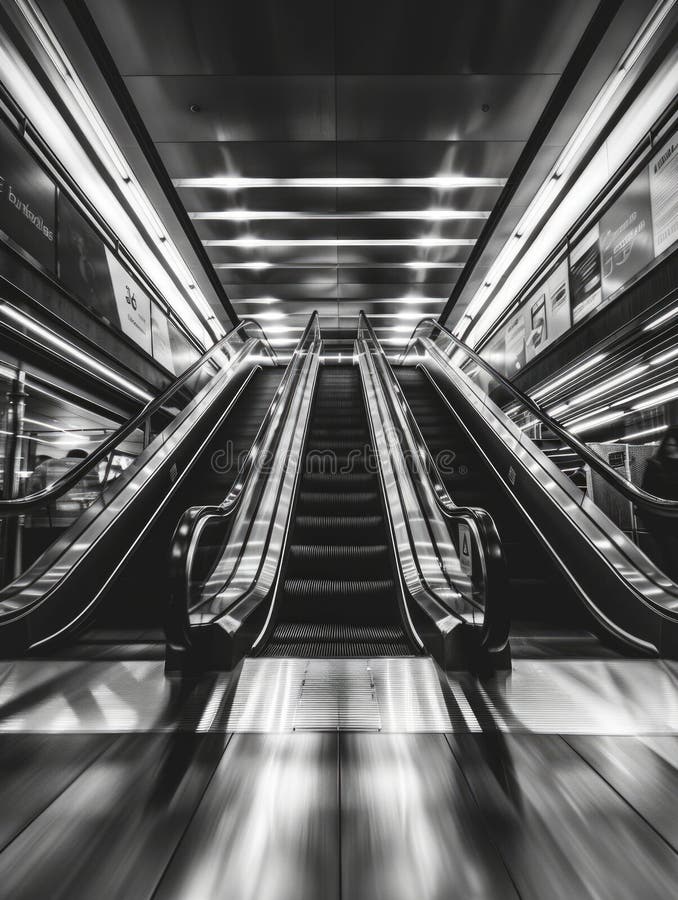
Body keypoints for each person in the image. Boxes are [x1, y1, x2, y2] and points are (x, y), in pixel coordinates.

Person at [640, 427, 678, 581]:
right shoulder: (655, 465)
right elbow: (646, 492)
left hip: (668, 518)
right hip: (663, 522)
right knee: (672, 558)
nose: (671, 448)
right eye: (669, 445)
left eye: (674, 445)